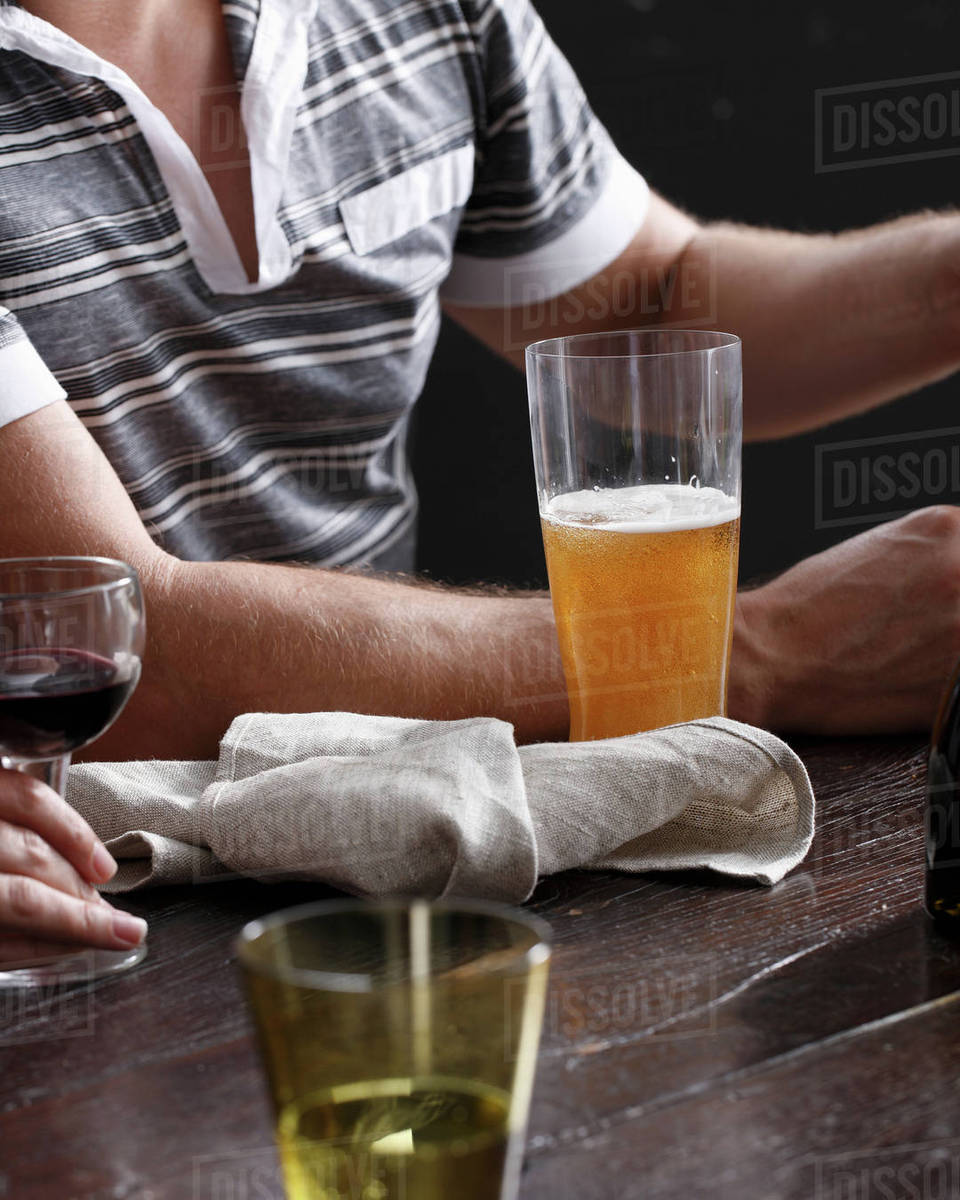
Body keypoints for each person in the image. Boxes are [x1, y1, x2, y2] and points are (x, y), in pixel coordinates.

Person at [1, 0, 959, 955]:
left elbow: (651, 302)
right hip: (87, 898)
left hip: (405, 856)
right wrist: (757, 651)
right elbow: (119, 644)